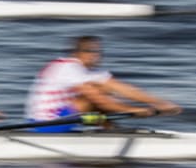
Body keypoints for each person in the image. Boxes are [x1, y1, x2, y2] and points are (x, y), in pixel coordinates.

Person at [26, 35, 182, 132]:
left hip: (59, 118)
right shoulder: (68, 68)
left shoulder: (85, 71)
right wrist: (132, 110)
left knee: (101, 88)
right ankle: (110, 131)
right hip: (44, 125)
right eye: (93, 52)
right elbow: (99, 100)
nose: (97, 56)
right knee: (92, 95)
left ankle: (109, 128)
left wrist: (160, 103)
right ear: (79, 53)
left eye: (99, 52)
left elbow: (123, 88)